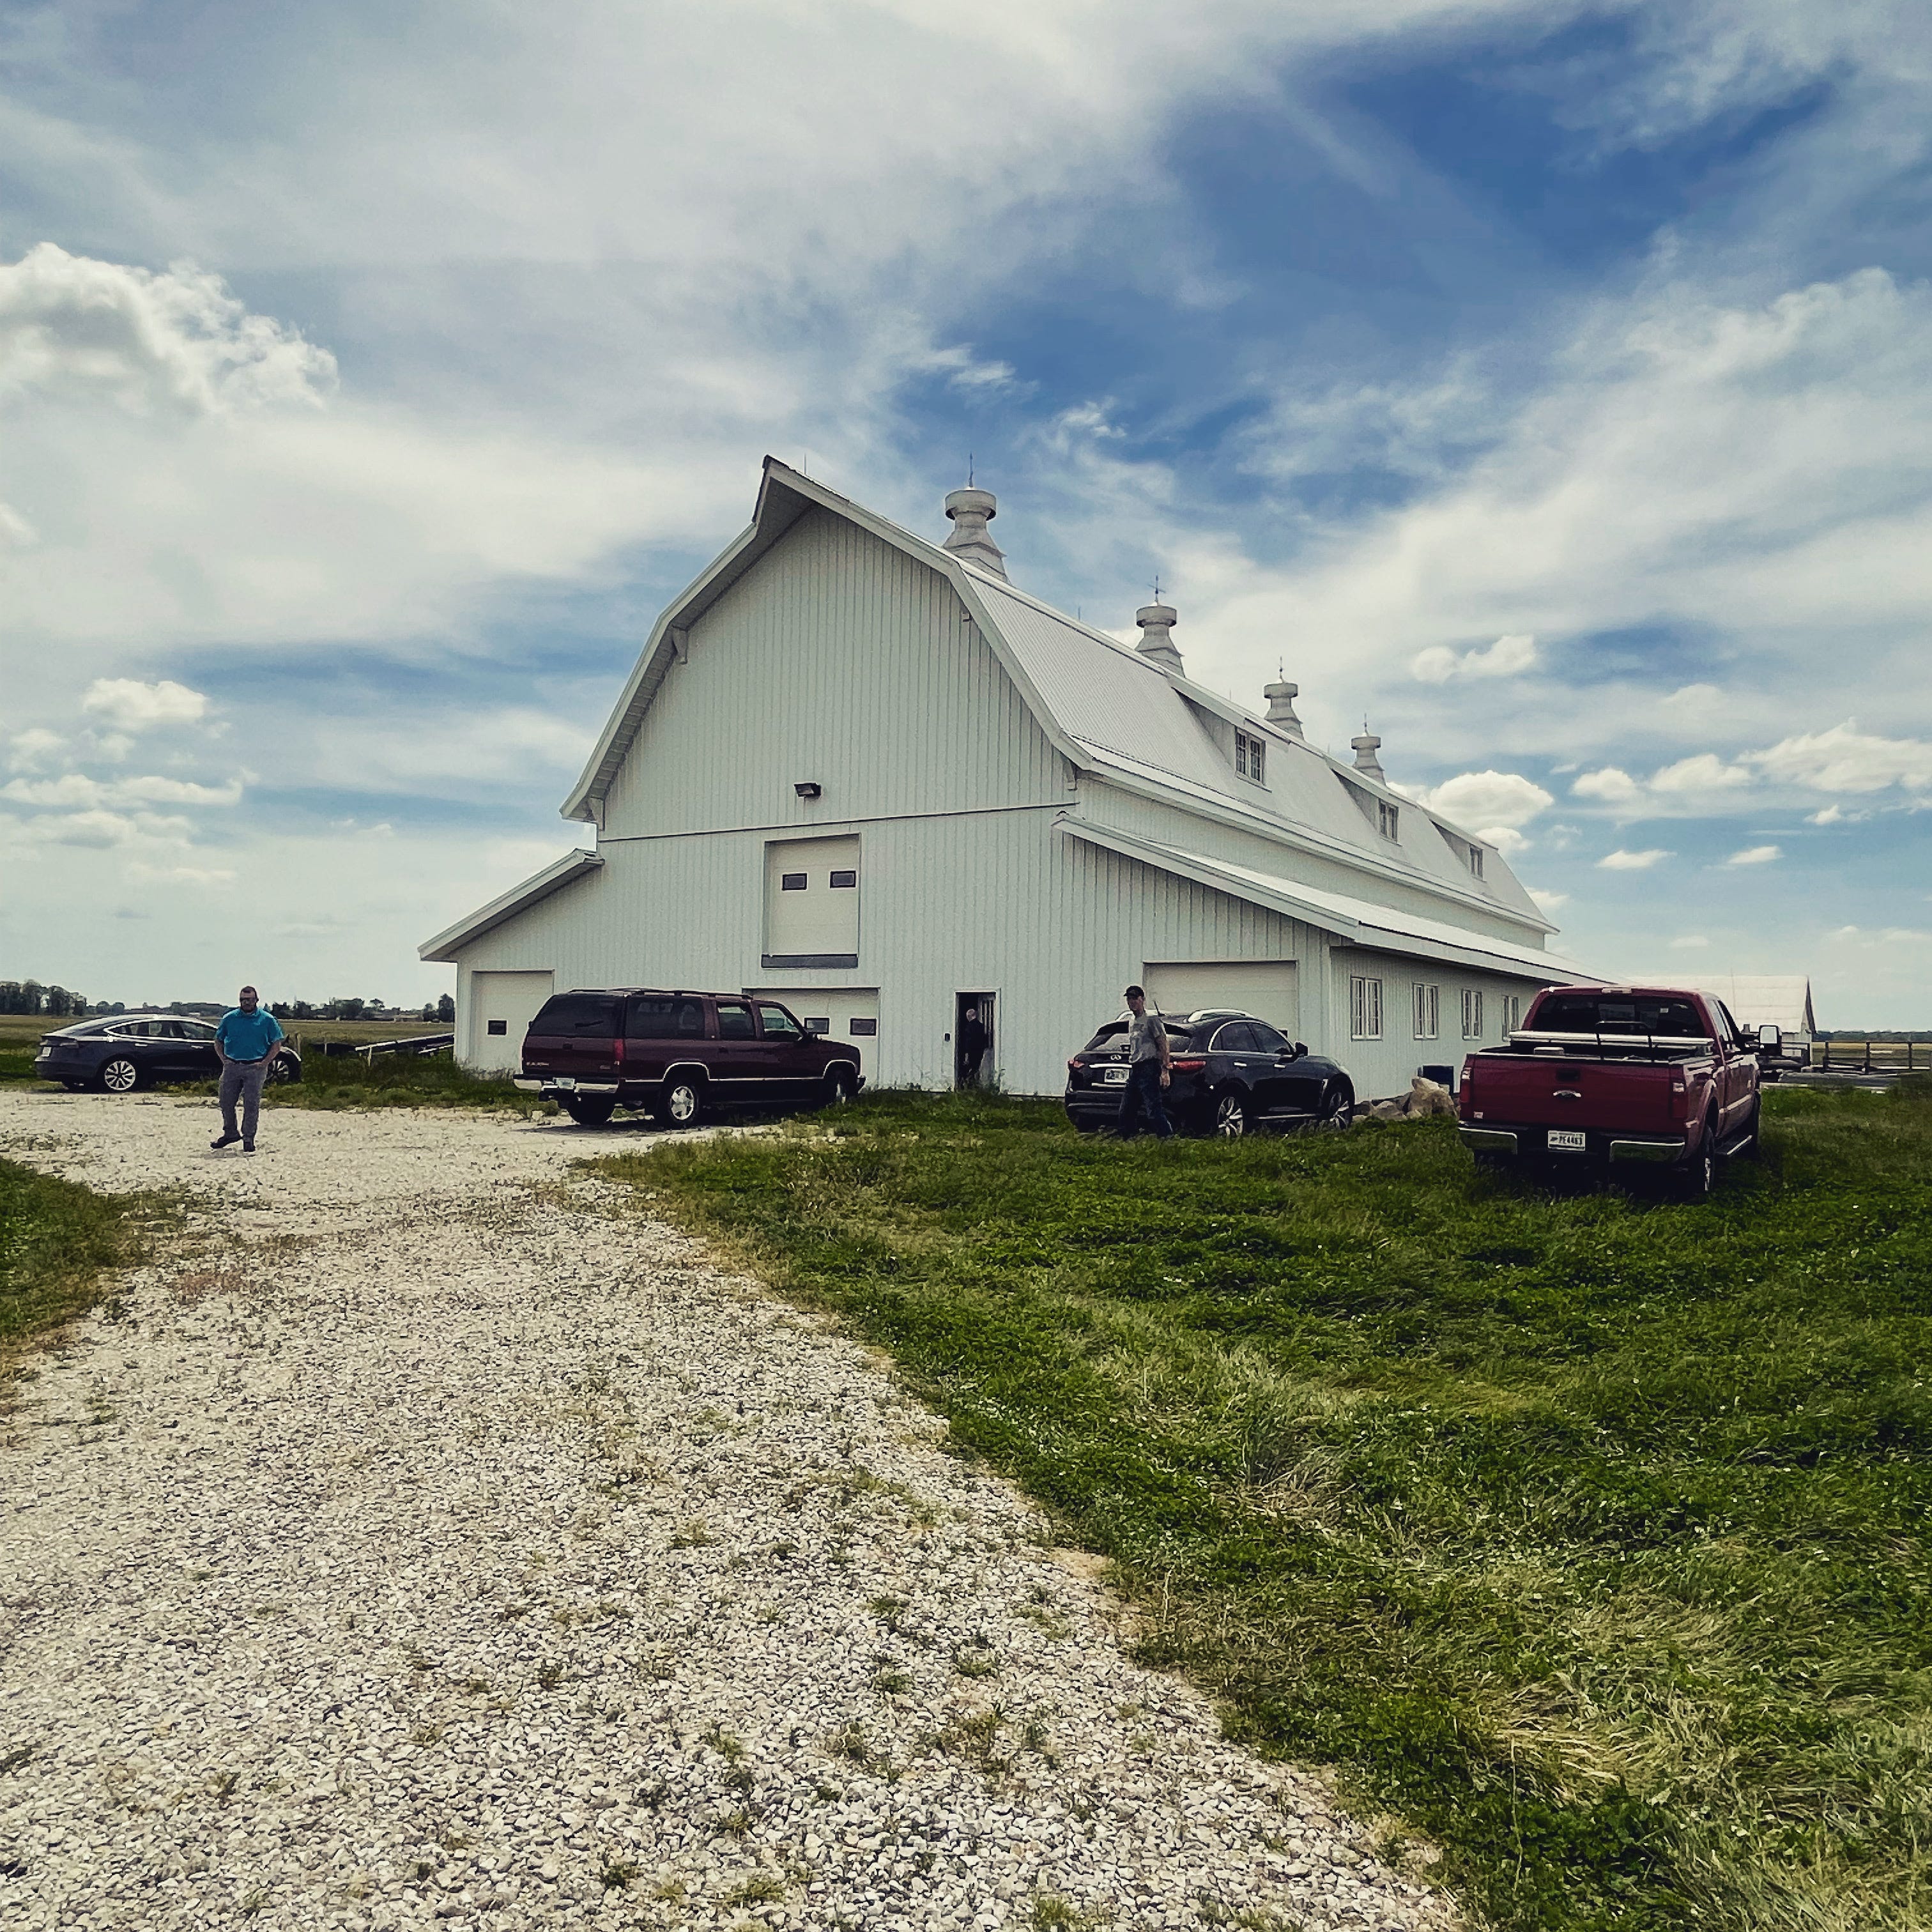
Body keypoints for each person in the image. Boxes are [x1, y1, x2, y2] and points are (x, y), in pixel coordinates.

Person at [211, 985, 286, 1153]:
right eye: (243, 1000)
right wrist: (224, 1060)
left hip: (255, 1067)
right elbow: (218, 1040)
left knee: (251, 1104)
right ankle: (230, 1133)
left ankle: (248, 1138)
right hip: (232, 1065)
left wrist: (265, 1063)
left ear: (256, 1000)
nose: (246, 1003)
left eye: (249, 1000)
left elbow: (276, 1044)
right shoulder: (230, 1018)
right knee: (225, 1101)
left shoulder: (267, 1020)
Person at [1117, 985, 1174, 1140]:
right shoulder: (1131, 1021)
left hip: (1149, 1067)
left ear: (1142, 999)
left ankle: (1167, 1138)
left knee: (1153, 1109)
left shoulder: (1151, 1019)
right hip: (1136, 1068)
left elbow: (1163, 1043)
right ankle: (1130, 1139)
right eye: (1129, 999)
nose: (1132, 1002)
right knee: (1126, 1109)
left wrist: (1165, 1070)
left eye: (1135, 998)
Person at [957, 1005, 988, 1087]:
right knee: (976, 1068)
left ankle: (966, 1084)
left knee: (968, 1069)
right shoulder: (981, 1026)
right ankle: (976, 1084)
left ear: (969, 1016)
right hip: (979, 1051)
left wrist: (966, 1053)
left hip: (971, 1052)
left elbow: (968, 1041)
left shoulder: (969, 1027)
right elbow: (984, 1039)